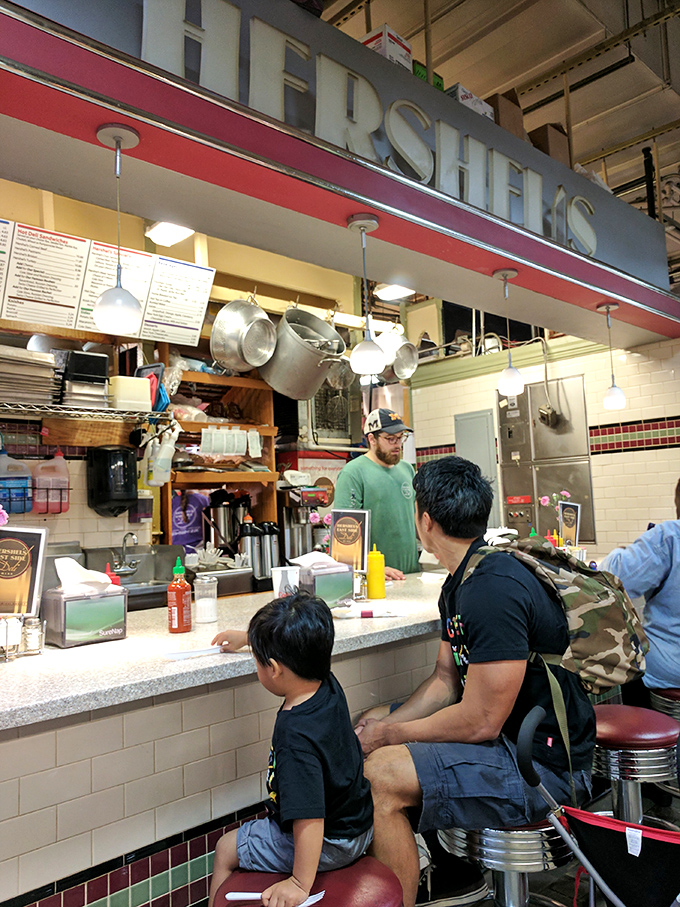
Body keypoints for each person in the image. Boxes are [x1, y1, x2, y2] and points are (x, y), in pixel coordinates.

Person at [356, 456, 596, 907]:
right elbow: (445, 680)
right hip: (502, 739)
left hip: (543, 769)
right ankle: (449, 873)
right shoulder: (460, 580)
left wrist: (391, 735)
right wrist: (379, 728)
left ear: (425, 521)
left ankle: (411, 891)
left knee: (378, 776)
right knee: (370, 723)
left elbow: (481, 720)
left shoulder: (493, 588)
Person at [208, 592, 373, 907]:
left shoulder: (295, 735)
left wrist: (299, 883)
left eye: (259, 659)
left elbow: (310, 818)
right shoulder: (324, 678)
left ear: (274, 668)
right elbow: (299, 646)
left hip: (331, 841)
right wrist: (250, 639)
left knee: (226, 848)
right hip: (359, 823)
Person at [600, 477, 680, 695]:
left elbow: (614, 578)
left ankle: (645, 725)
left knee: (624, 660)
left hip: (670, 672)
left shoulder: (670, 536)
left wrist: (620, 551)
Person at [333, 407, 419, 579]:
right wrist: (372, 569)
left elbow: (417, 518)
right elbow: (344, 539)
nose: (398, 444)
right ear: (372, 439)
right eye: (390, 439)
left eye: (401, 438)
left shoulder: (407, 469)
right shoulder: (353, 473)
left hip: (411, 574)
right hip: (377, 579)